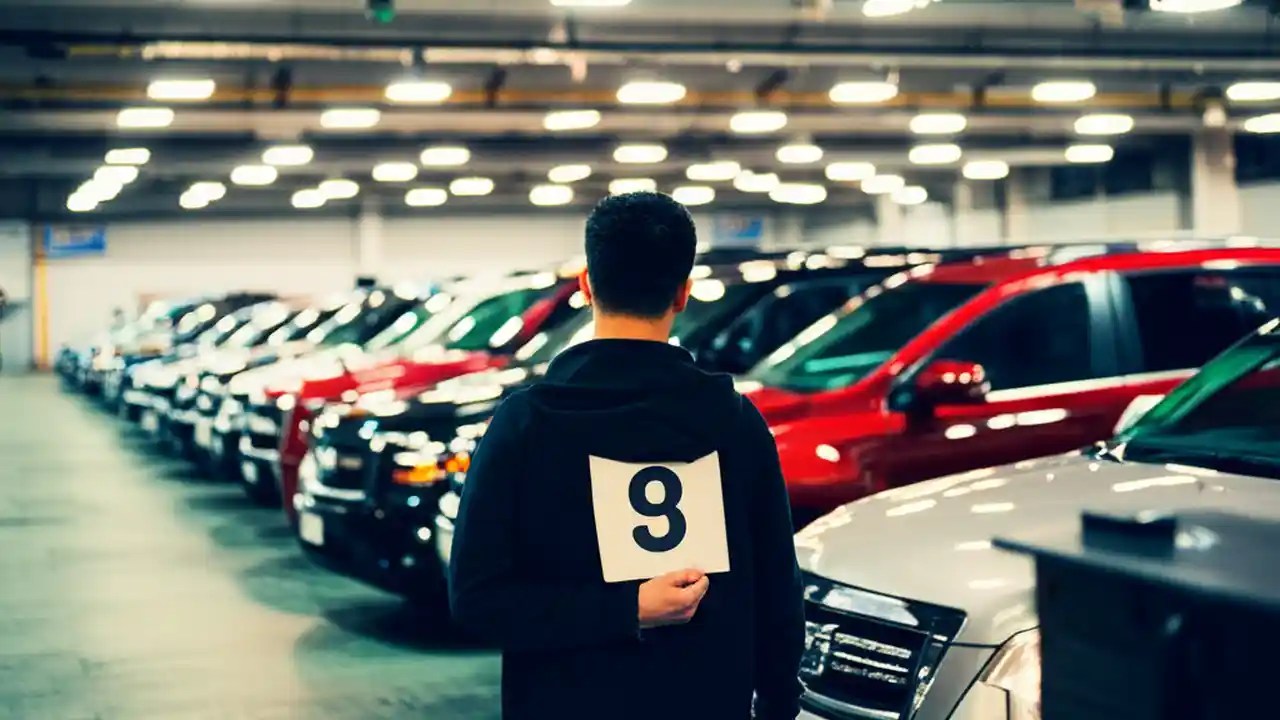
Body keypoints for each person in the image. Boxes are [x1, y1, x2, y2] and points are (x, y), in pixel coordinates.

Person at [448, 192, 805, 720]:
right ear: (684, 293)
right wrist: (778, 703)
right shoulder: (737, 423)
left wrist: (623, 610)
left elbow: (477, 602)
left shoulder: (525, 425)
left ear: (587, 285)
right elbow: (779, 593)